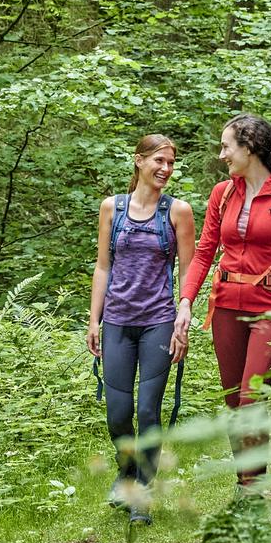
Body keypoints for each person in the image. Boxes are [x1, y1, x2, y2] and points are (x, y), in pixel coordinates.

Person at [175, 114, 271, 483]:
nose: (222, 154)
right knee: (233, 401)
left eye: (226, 146)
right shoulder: (223, 194)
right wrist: (187, 301)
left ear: (249, 147)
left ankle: (253, 491)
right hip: (225, 307)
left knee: (251, 401)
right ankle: (246, 485)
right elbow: (206, 251)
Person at [88, 134, 197, 522]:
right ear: (138, 161)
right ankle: (126, 470)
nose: (165, 169)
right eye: (159, 161)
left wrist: (184, 319)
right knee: (118, 412)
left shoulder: (178, 212)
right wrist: (94, 319)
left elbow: (189, 271)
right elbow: (103, 266)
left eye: (170, 162)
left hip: (158, 323)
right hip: (117, 321)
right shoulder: (111, 208)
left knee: (148, 411)